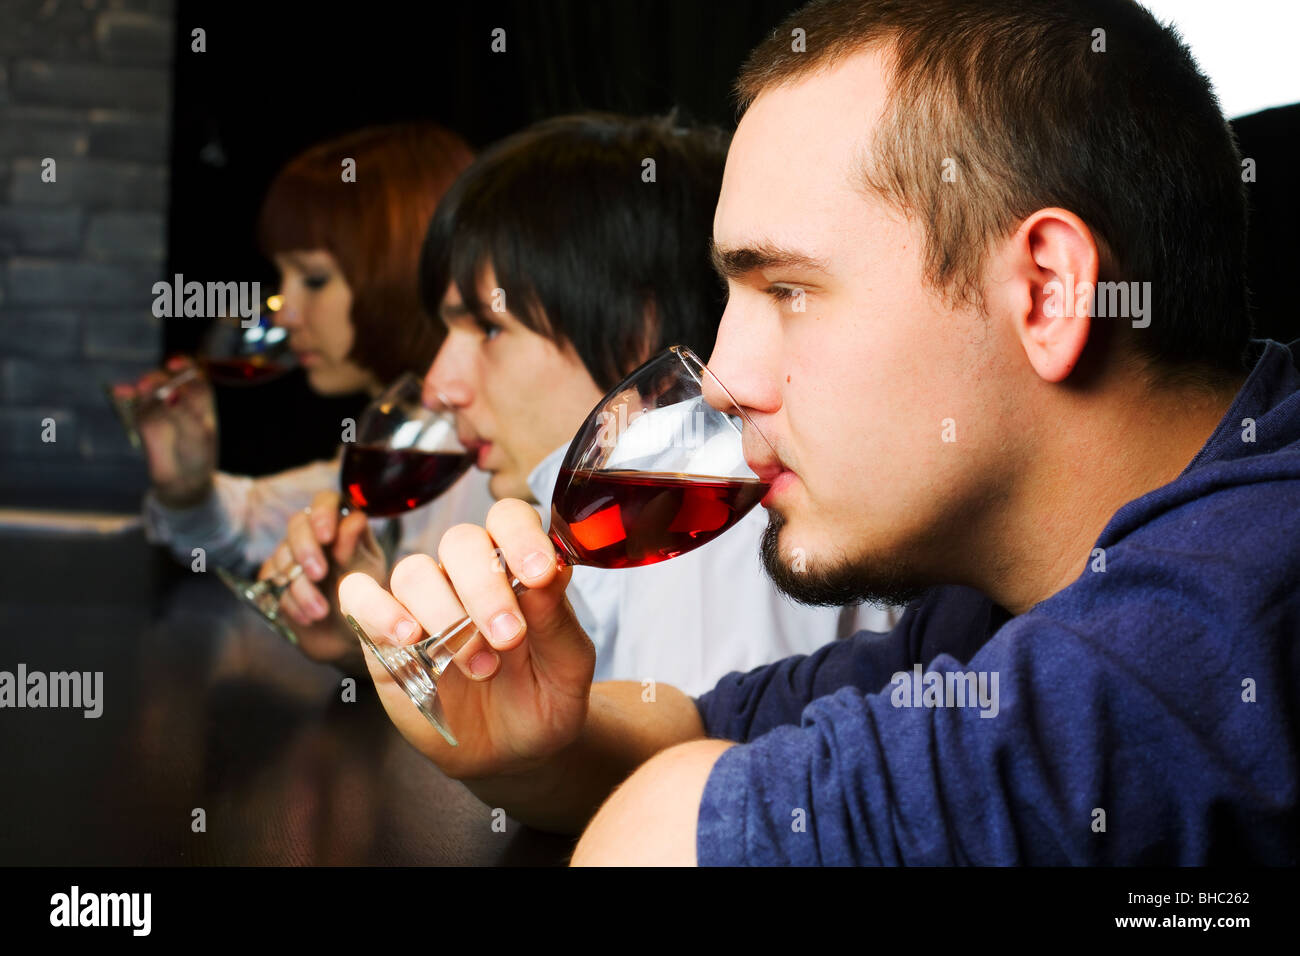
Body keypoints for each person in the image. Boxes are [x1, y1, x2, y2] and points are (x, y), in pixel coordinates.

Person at [339, 0, 1300, 865]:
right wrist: (533, 732)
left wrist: (680, 810)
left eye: (788, 290)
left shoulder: (1233, 613)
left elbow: (673, 833)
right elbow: (695, 735)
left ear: (1048, 294)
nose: (726, 380)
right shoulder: (1002, 596)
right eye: (731, 294)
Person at [280, 112, 897, 694]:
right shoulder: (610, 521)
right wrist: (370, 645)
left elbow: (693, 784)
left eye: (488, 329)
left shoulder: (704, 543)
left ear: (636, 328)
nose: (440, 384)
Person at [131, 123, 495, 657]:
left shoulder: (492, 461)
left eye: (314, 279)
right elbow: (247, 528)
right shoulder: (389, 446)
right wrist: (186, 488)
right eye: (282, 279)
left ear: (403, 270)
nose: (287, 312)